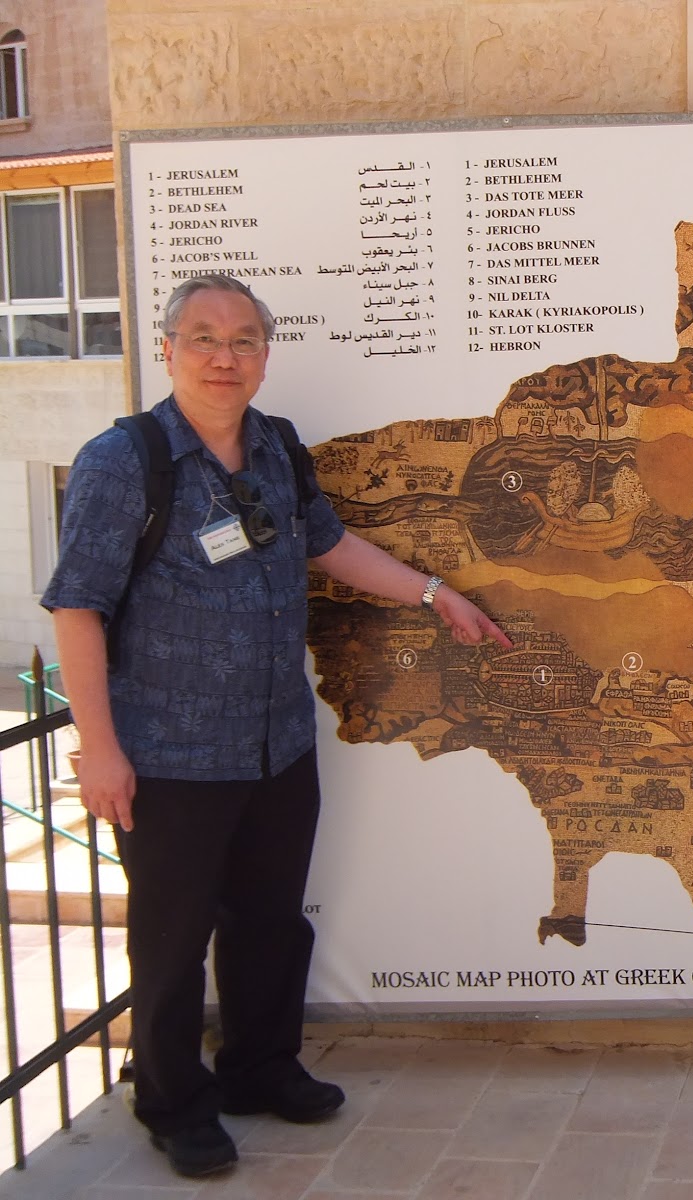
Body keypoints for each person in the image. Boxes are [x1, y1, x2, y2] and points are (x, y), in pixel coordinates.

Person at [40, 273, 512, 1179]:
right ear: (169, 349)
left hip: (277, 743)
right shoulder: (123, 461)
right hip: (170, 753)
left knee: (270, 920)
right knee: (172, 940)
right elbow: (77, 607)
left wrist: (433, 593)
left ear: (264, 354)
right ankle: (172, 1102)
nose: (225, 356)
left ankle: (260, 1068)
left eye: (244, 339)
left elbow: (328, 544)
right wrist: (99, 748)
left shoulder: (276, 447)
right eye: (205, 338)